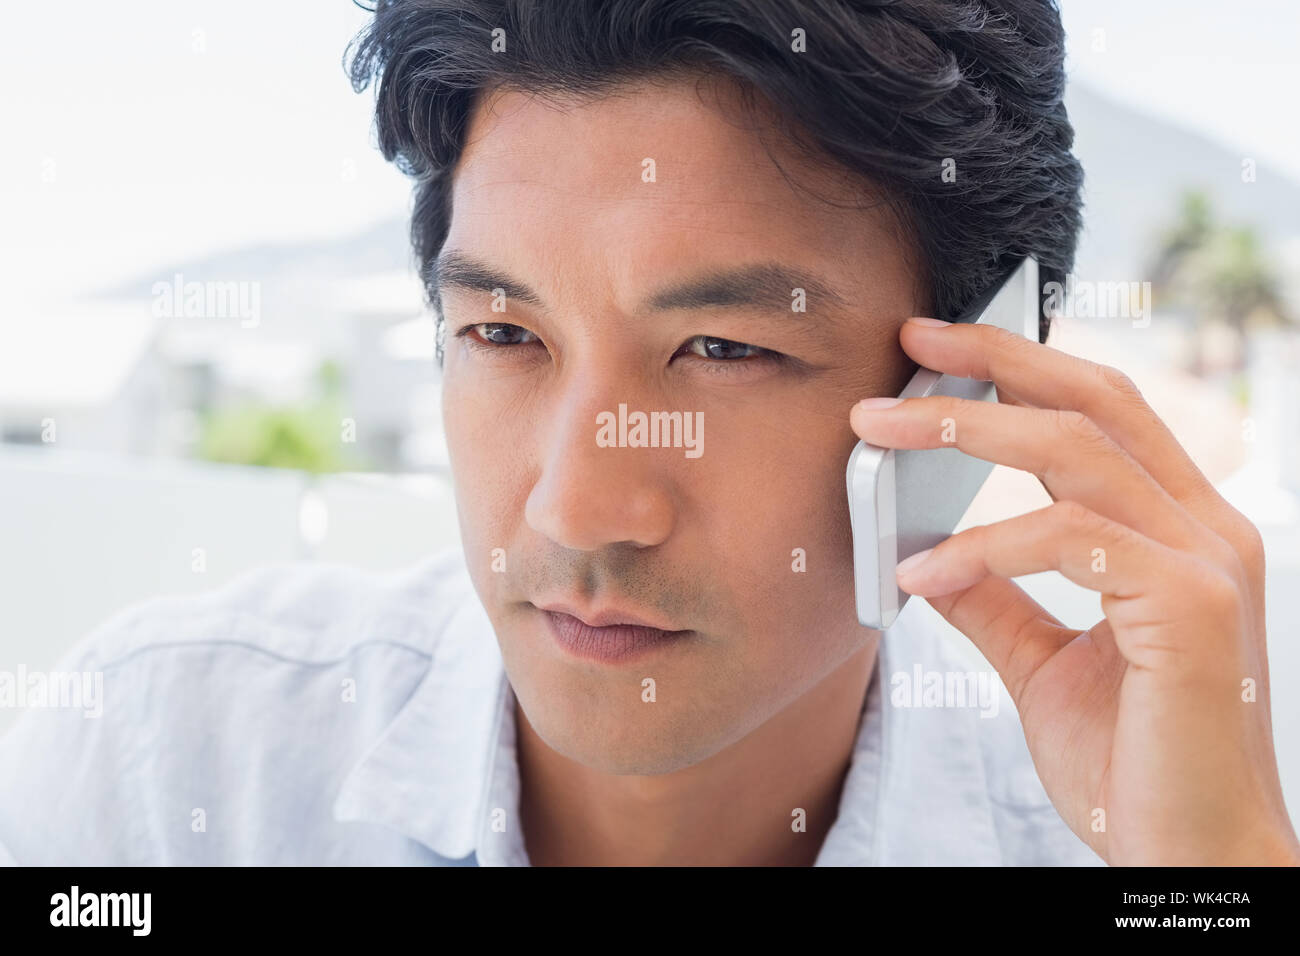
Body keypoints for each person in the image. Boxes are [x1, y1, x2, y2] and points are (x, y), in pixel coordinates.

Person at [1, 0, 1295, 866]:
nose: (574, 507)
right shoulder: (160, 768)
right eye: (505, 337)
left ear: (968, 406)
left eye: (724, 351)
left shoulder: (1125, 836)